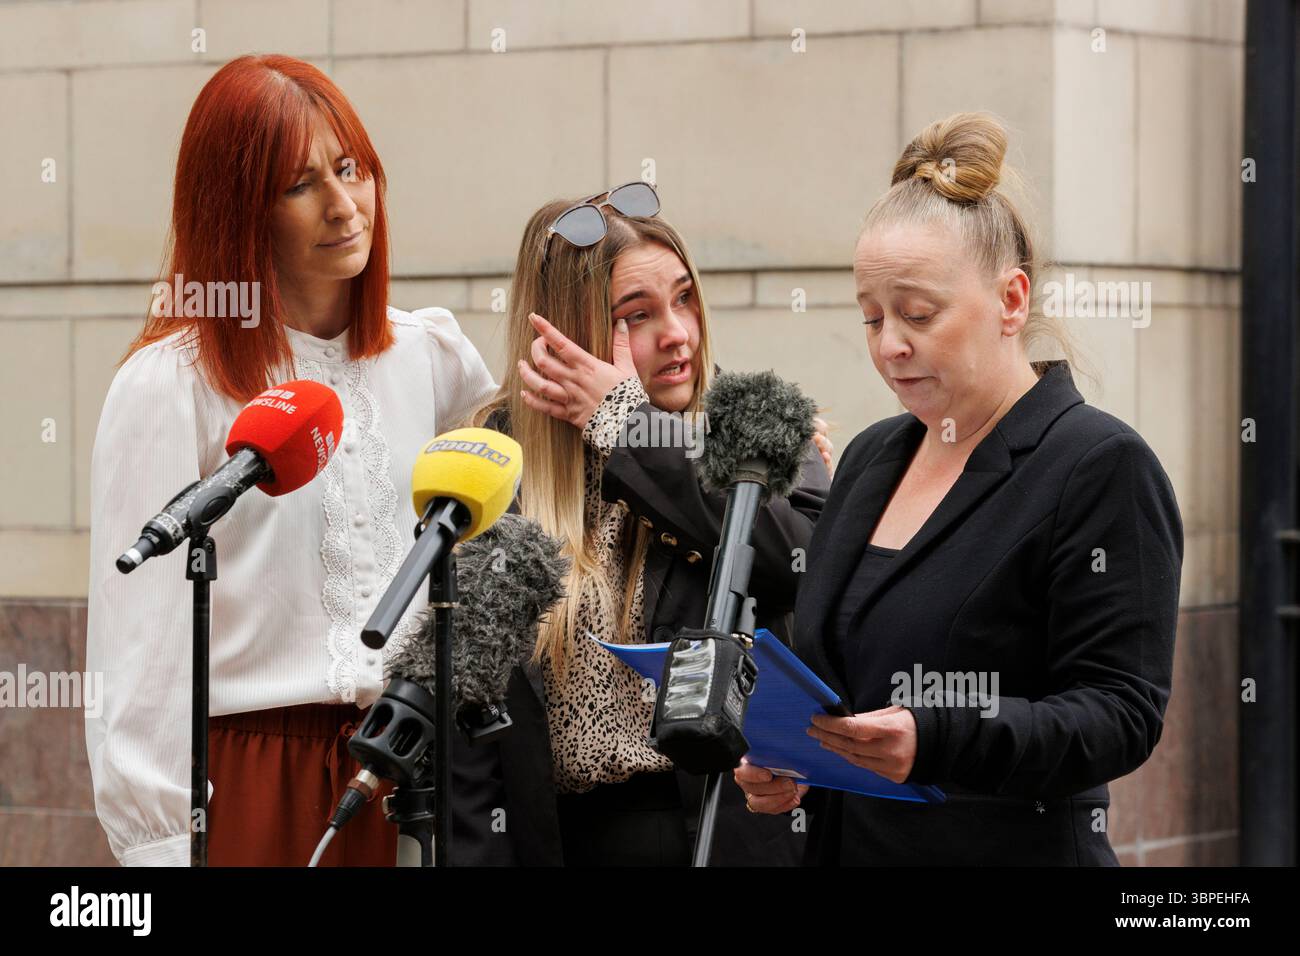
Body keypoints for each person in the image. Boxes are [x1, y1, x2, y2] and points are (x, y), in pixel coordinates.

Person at [734, 112, 1183, 866]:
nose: (888, 345)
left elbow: (1120, 713)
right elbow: (839, 680)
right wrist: (792, 762)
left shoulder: (1099, 464)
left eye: (918, 314)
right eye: (872, 317)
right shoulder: (875, 455)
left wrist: (938, 737)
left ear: (1012, 301)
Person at [84, 54, 497, 866]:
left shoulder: (434, 359)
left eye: (352, 170)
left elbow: (505, 543)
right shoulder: (171, 385)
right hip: (251, 780)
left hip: (416, 778)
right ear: (237, 210)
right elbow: (138, 657)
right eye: (300, 185)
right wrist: (163, 845)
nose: (345, 207)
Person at [451, 182, 832, 865]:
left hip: (716, 831)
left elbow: (801, 558)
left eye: (684, 297)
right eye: (638, 315)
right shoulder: (494, 462)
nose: (679, 332)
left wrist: (629, 426)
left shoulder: (755, 426)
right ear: (566, 332)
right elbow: (469, 728)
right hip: (561, 840)